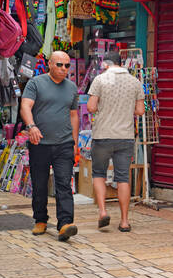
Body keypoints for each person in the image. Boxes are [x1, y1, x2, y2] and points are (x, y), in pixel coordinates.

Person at [20, 50, 79, 241]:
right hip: (40, 143)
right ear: (50, 65)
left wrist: (75, 141)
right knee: (40, 184)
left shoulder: (71, 87)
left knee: (63, 183)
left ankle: (65, 224)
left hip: (64, 144)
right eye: (59, 65)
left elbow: (73, 115)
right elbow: (25, 106)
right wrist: (31, 127)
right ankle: (40, 220)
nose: (64, 69)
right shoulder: (35, 83)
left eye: (67, 66)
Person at [86, 50, 144, 232]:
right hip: (125, 137)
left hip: (102, 135)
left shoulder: (100, 80)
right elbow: (141, 111)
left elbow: (91, 107)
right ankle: (125, 221)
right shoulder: (135, 82)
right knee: (122, 178)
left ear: (106, 64)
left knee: (99, 174)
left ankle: (103, 211)